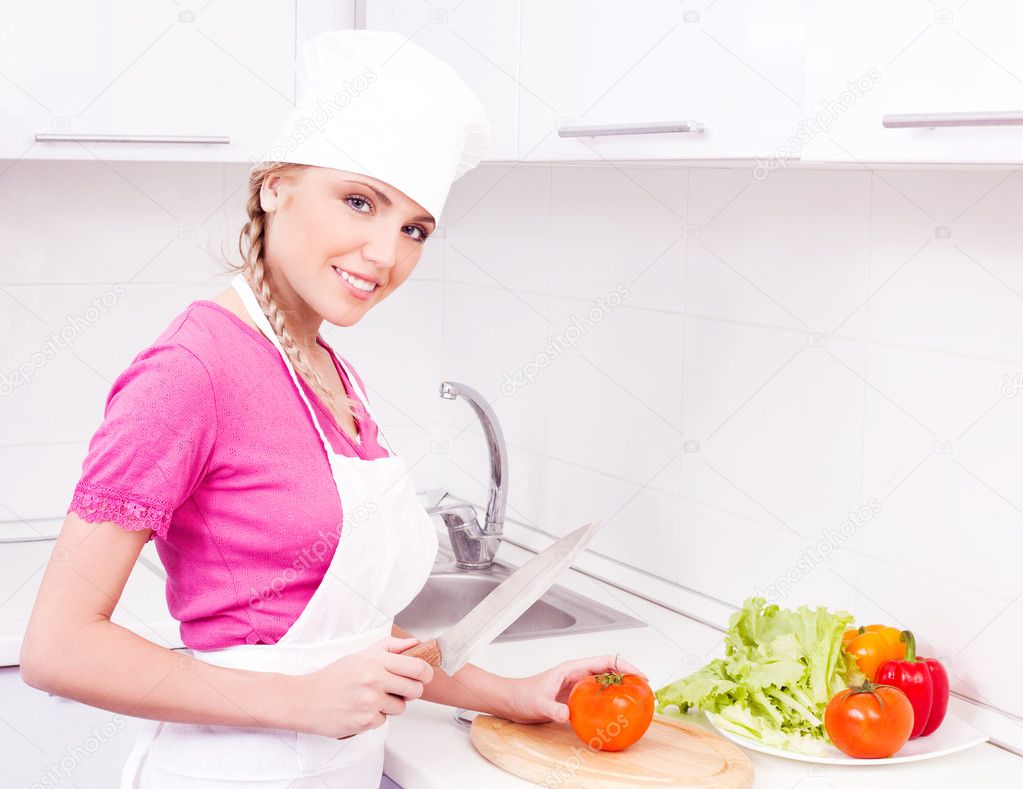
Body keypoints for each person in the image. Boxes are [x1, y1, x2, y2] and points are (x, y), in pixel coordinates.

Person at [20, 29, 645, 788]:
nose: (385, 254)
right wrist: (297, 700)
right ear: (274, 185)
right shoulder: (191, 368)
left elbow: (341, 632)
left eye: (414, 229)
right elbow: (59, 646)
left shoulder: (326, 369)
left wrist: (508, 694)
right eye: (359, 201)